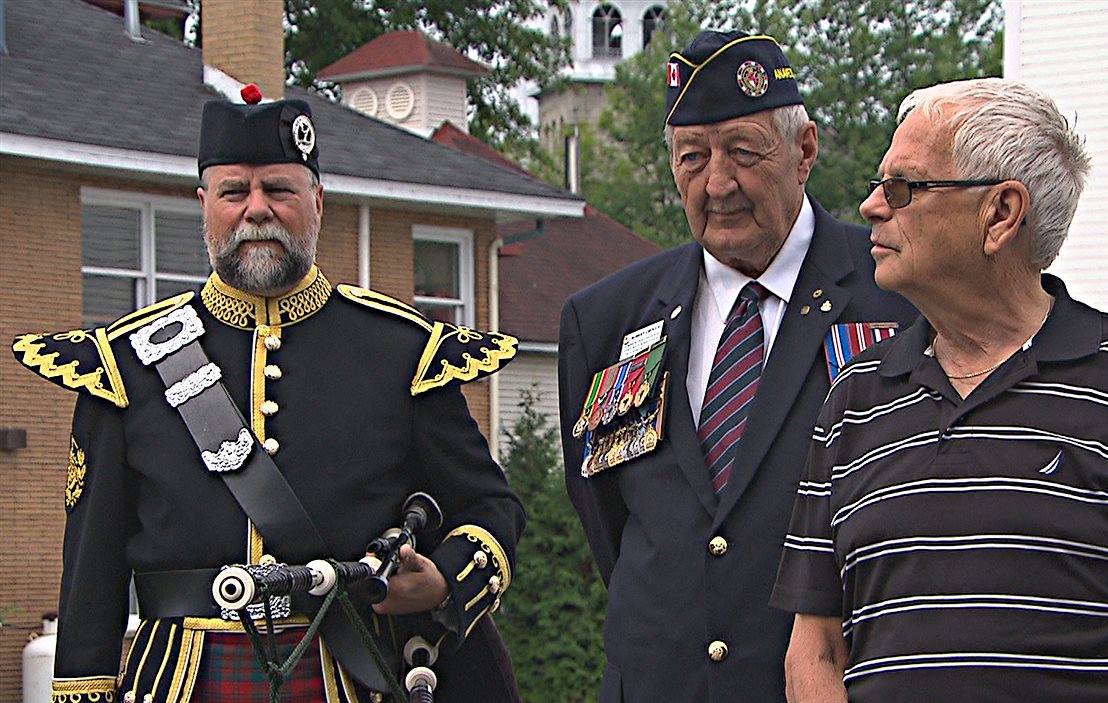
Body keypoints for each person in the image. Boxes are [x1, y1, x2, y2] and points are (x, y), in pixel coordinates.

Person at [13, 87, 525, 703]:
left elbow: (489, 506)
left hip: (349, 674)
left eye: (279, 189)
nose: (257, 210)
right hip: (182, 681)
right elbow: (90, 576)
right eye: (234, 192)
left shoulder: (401, 351)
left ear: (318, 201)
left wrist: (443, 579)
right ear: (204, 204)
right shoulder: (126, 365)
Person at [771, 77, 1108, 702]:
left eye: (903, 187)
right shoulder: (854, 399)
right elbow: (814, 651)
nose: (872, 207)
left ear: (1000, 214)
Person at [558, 31, 914, 702]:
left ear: (804, 150)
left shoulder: (896, 297)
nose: (717, 183)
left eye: (744, 153)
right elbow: (612, 517)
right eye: (692, 157)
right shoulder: (606, 319)